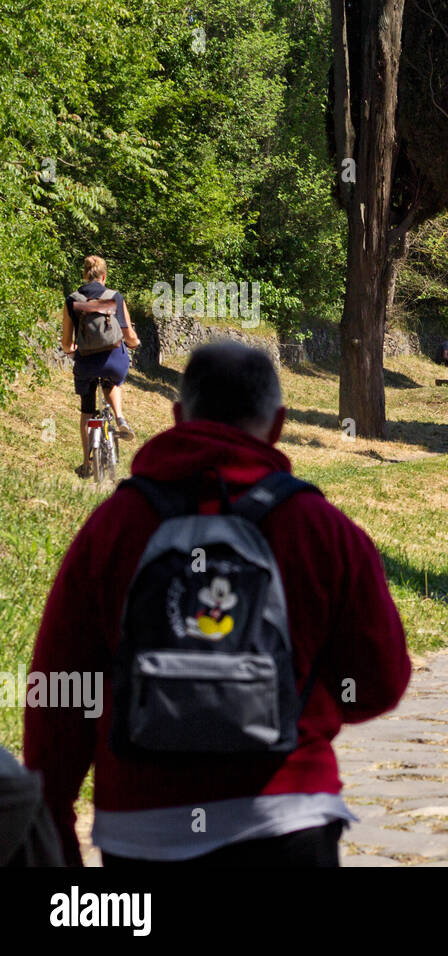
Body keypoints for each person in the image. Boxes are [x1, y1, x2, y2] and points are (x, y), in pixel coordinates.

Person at [24, 342, 411, 866]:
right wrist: (287, 704)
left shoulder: (114, 526)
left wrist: (55, 825)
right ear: (277, 424)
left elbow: (60, 690)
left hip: (142, 829)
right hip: (286, 819)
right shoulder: (320, 528)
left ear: (180, 417)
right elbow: (381, 681)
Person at [64, 255, 141, 477]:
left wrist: (72, 348)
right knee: (113, 380)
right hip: (113, 360)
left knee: (87, 409)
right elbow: (128, 334)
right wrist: (135, 343)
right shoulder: (114, 297)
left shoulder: (72, 300)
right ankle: (119, 417)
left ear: (84, 274)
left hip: (86, 363)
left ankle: (87, 464)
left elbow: (66, 341)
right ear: (104, 276)